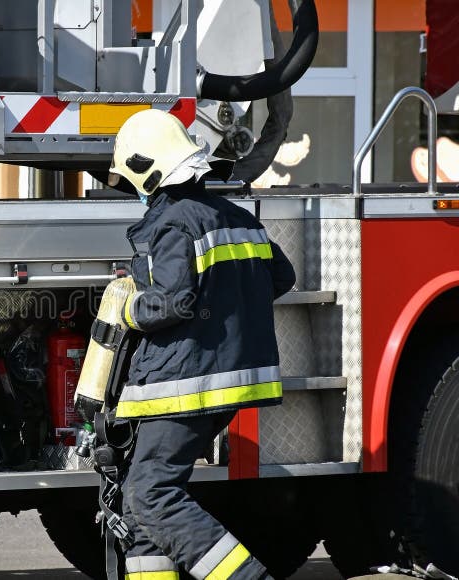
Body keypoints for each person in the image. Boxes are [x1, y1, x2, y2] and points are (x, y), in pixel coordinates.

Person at [108, 109, 296, 580]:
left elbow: (172, 301)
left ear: (144, 167)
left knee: (151, 494)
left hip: (184, 380)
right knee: (141, 503)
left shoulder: (170, 224)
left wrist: (129, 308)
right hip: (230, 377)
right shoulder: (236, 217)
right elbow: (282, 276)